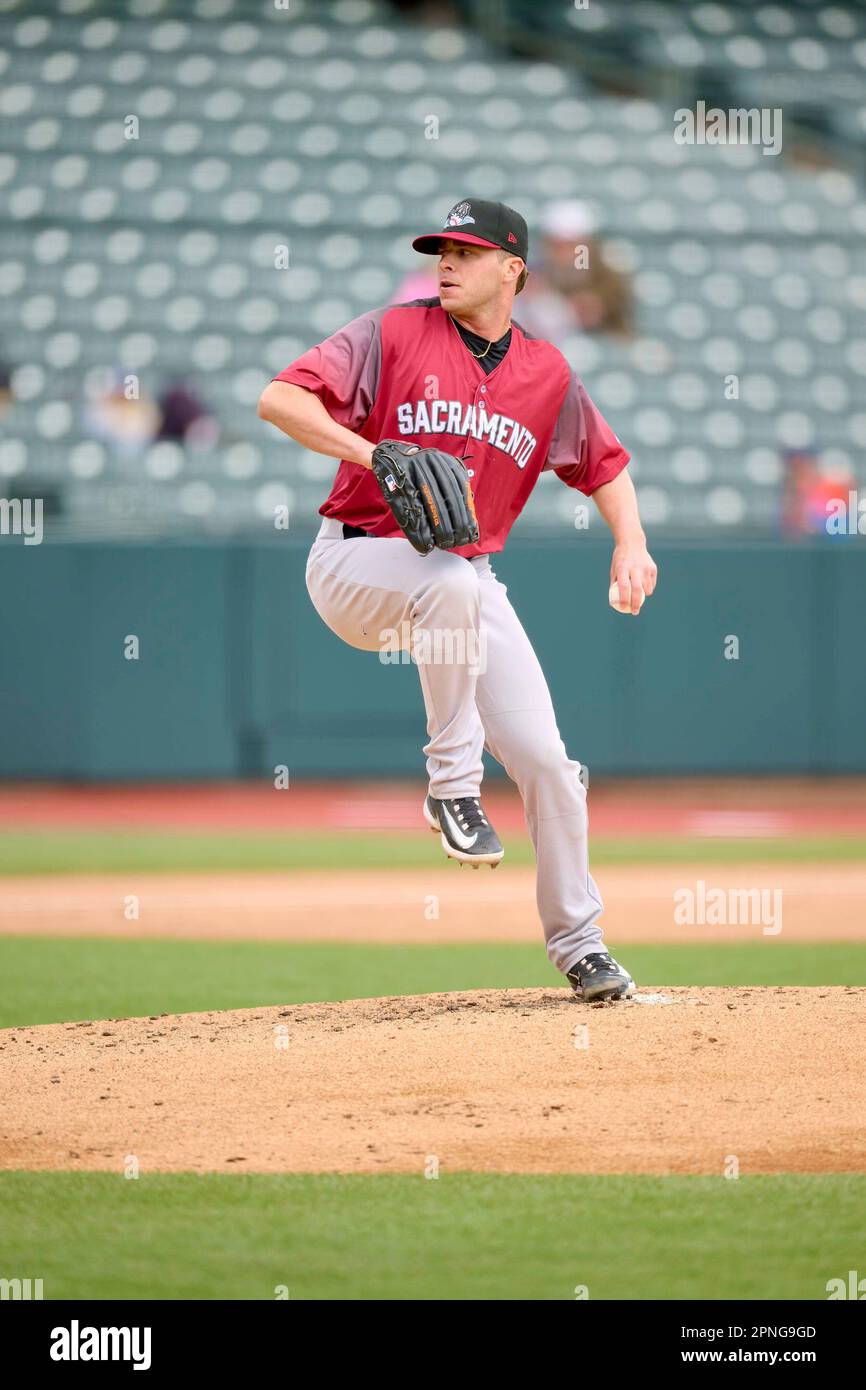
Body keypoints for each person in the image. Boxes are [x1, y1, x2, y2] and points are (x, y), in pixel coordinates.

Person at [258, 198, 657, 1003]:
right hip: (356, 564)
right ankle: (452, 788)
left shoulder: (546, 374)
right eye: (441, 249)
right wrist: (373, 454)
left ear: (513, 269)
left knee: (549, 762)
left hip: (462, 582)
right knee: (445, 579)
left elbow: (603, 464)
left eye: (467, 253)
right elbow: (280, 400)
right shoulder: (392, 332)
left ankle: (581, 945)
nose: (447, 262)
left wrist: (632, 542)